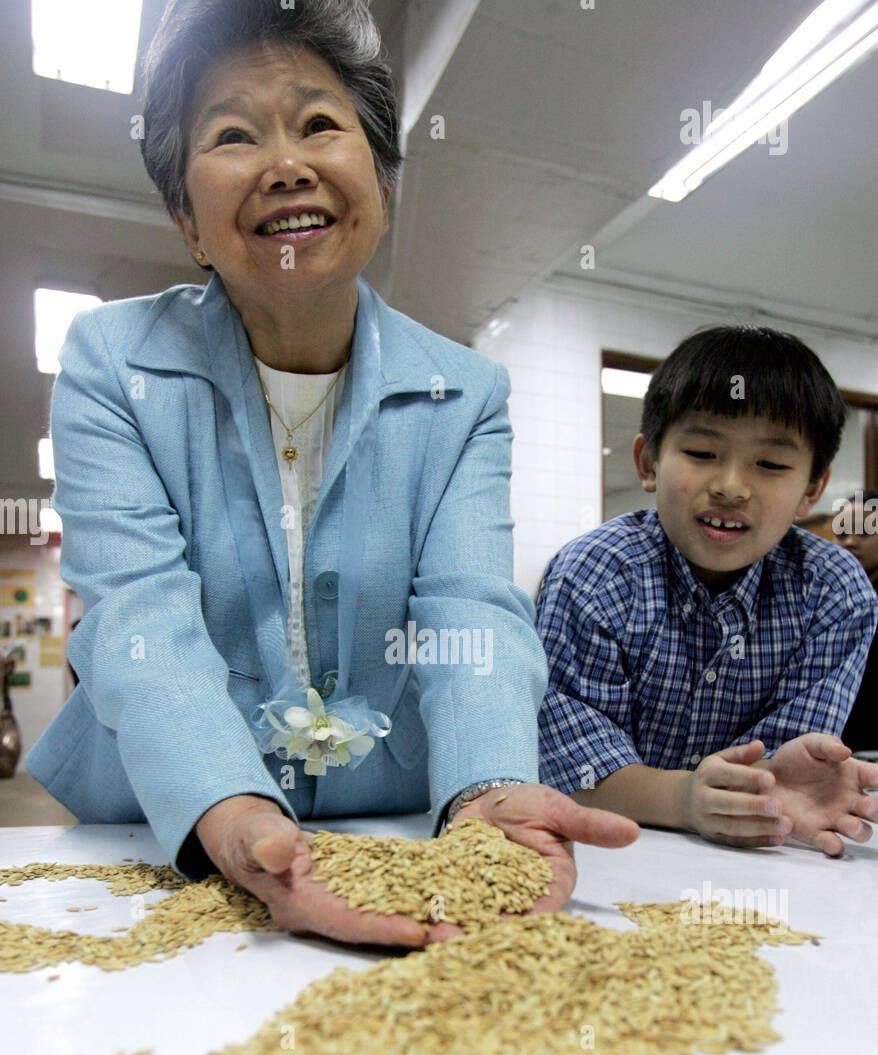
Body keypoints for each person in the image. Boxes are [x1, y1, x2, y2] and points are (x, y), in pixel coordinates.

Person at [26, 0, 638, 947]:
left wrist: (487, 791)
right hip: (159, 833)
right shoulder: (113, 363)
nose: (286, 165)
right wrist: (235, 821)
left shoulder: (465, 390)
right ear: (189, 219)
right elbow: (138, 617)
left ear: (382, 186)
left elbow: (469, 611)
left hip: (393, 817)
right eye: (233, 134)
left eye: (319, 123)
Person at [536, 325, 878, 857]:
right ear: (648, 462)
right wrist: (685, 800)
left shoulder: (834, 592)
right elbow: (572, 767)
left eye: (770, 464)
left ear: (812, 488)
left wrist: (777, 787)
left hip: (750, 862)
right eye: (701, 452)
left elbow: (778, 772)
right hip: (601, 852)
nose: (731, 486)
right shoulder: (595, 574)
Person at [800, 491, 878, 755]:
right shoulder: (821, 597)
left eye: (864, 533)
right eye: (842, 533)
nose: (850, 542)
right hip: (832, 743)